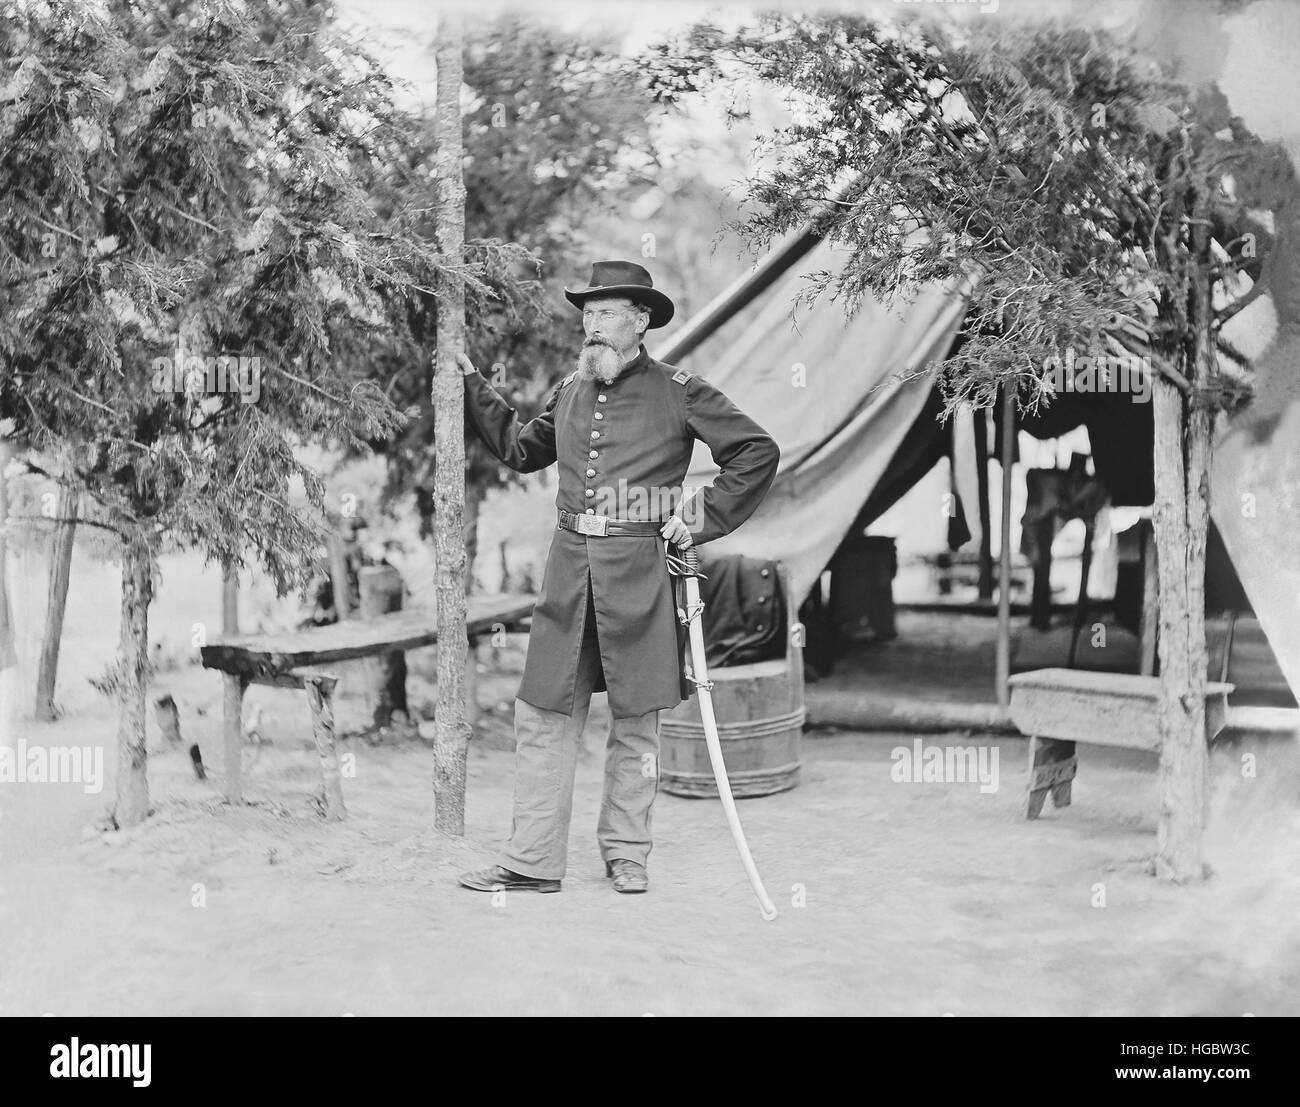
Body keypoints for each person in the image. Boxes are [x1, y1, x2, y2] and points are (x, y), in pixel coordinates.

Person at [455, 260, 779, 895]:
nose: (590, 325)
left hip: (639, 578)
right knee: (543, 713)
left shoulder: (681, 392)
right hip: (568, 576)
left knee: (636, 722)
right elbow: (523, 451)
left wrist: (700, 519)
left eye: (604, 314)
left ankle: (628, 855)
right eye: (587, 314)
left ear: (640, 321)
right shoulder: (571, 390)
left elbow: (755, 451)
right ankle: (531, 862)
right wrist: (472, 385)